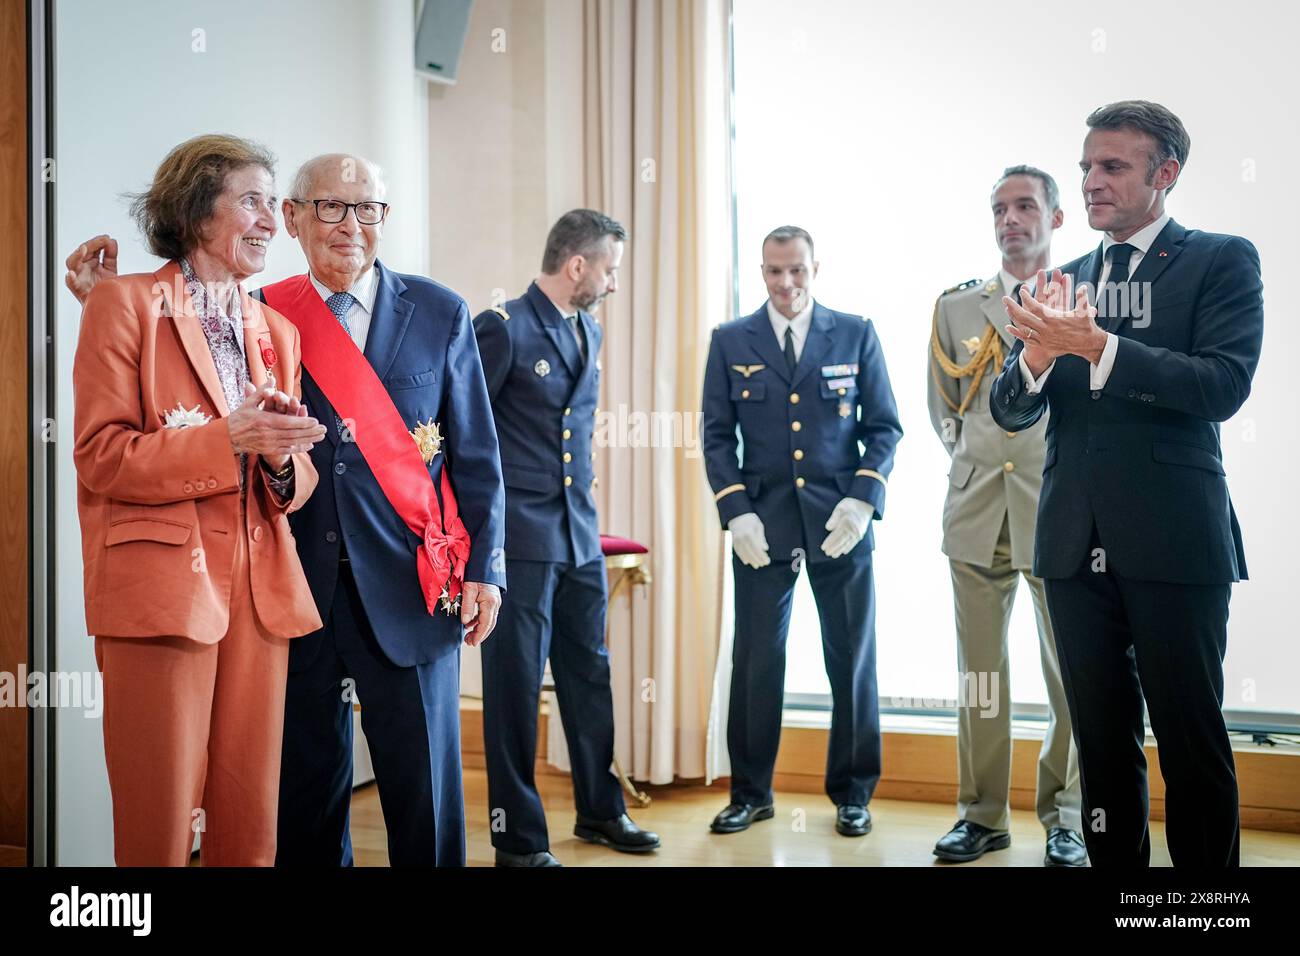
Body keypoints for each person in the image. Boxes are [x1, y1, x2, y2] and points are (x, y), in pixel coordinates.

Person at [67, 153, 506, 867]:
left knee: (416, 797)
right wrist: (107, 307)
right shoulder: (268, 308)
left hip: (399, 586)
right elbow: (154, 391)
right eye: (328, 207)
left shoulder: (425, 313)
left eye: (369, 209)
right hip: (290, 592)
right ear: (300, 221)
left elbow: (479, 456)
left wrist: (486, 567)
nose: (351, 225)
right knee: (288, 803)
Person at [991, 101, 1263, 867]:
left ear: (1165, 174)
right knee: (1104, 752)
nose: (1091, 182)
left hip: (1176, 543)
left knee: (1191, 744)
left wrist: (1100, 346)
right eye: (1084, 168)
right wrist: (1038, 361)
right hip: (1074, 548)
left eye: (1111, 166)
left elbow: (1222, 386)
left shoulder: (1221, 260)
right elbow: (1009, 411)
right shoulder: (1061, 281)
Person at [72, 134, 328, 865]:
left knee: (249, 818)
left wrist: (279, 456)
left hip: (260, 597)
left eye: (270, 204)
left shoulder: (275, 330)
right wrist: (230, 440)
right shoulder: (122, 304)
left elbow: (295, 479)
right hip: (162, 593)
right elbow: (102, 457)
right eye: (251, 200)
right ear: (194, 210)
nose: (270, 222)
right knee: (158, 817)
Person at [701, 225, 902, 838]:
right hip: (763, 528)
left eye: (797, 271)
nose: (785, 284)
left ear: (817, 268)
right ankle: (751, 792)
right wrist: (735, 511)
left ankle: (853, 792)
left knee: (851, 659)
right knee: (758, 662)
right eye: (773, 272)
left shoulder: (856, 332)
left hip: (842, 525)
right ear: (761, 271)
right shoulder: (731, 339)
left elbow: (885, 427)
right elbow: (714, 433)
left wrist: (863, 502)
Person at [472, 209, 659, 866]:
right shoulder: (502, 329)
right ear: (578, 265)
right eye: (609, 268)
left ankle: (600, 811)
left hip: (578, 532)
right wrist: (479, 541)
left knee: (589, 676)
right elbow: (468, 436)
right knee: (514, 689)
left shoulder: (588, 330)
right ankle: (516, 841)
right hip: (519, 538)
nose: (612, 282)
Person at [927, 166, 1085, 866]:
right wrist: (975, 466)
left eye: (1025, 206)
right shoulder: (958, 306)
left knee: (1073, 678)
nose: (1010, 219)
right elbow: (944, 410)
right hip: (975, 514)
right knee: (980, 677)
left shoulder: (1087, 295)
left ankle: (1071, 817)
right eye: (999, 208)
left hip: (1060, 513)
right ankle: (982, 815)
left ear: (1056, 218)